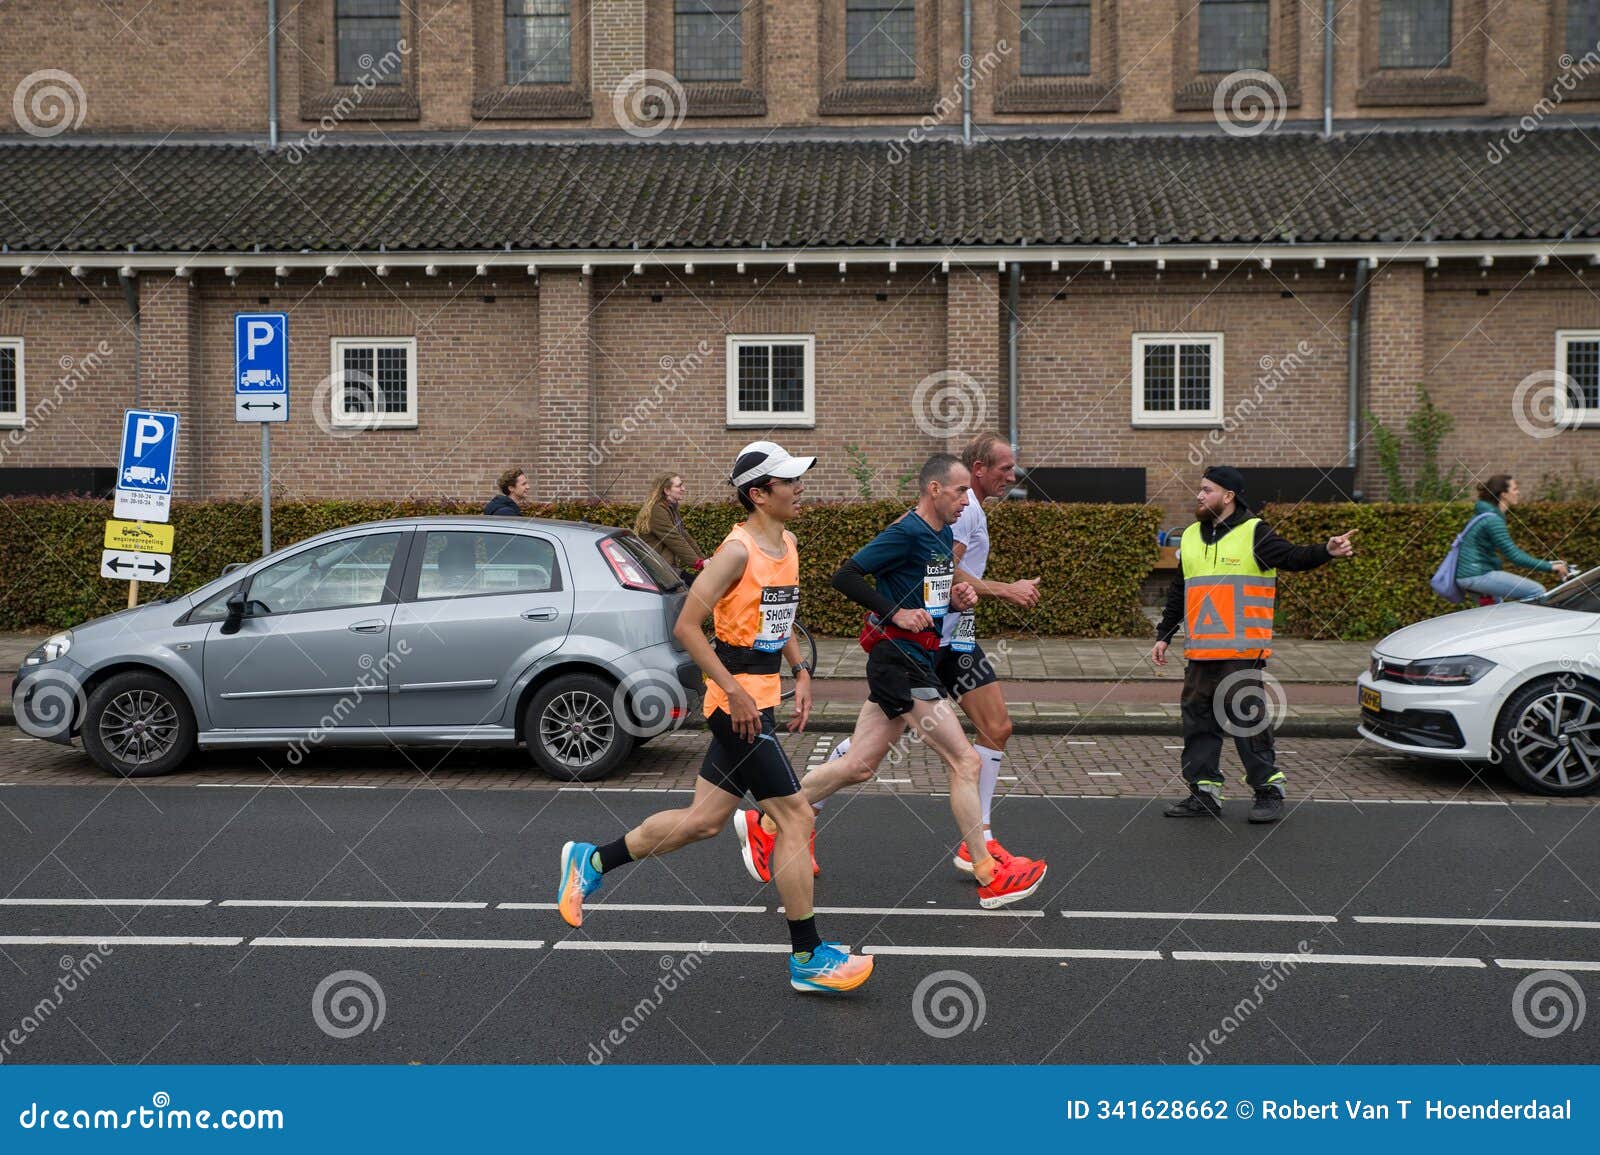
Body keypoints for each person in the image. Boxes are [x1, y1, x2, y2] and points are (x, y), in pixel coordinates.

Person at [557, 441, 873, 995]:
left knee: (702, 822)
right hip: (738, 708)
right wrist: (733, 691)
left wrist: (800, 670)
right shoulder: (736, 551)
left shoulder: (788, 541)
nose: (800, 489)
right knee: (796, 818)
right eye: (789, 482)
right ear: (758, 494)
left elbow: (779, 616)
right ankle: (807, 956)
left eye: (799, 479)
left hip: (761, 695)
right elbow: (686, 626)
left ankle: (592, 860)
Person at [732, 453, 1048, 910]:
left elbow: (928, 599)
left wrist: (956, 603)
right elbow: (845, 574)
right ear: (934, 490)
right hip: (899, 660)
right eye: (960, 491)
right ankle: (988, 872)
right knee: (965, 761)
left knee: (859, 764)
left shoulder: (941, 536)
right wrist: (894, 612)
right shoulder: (906, 532)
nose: (966, 500)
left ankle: (767, 823)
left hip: (910, 657)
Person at [821, 433, 1041, 875]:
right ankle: (982, 857)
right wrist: (1000, 590)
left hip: (945, 635)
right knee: (954, 755)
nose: (1013, 476)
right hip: (919, 646)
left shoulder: (952, 519)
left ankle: (780, 813)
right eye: (1004, 468)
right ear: (973, 472)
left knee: (985, 730)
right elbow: (884, 568)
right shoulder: (950, 514)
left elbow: (938, 573)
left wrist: (956, 600)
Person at [1153, 466, 1355, 824]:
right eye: (1199, 490)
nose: (1199, 496)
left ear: (1228, 496)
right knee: (1198, 721)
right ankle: (1204, 793)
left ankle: (1268, 791)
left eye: (1206, 490)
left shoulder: (1254, 532)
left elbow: (1293, 557)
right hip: (1200, 651)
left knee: (1247, 721)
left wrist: (1327, 549)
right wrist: (1164, 635)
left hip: (1243, 652)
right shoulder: (1189, 538)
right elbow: (1180, 592)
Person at [1455, 475, 1567, 603]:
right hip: (1477, 574)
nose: (1518, 492)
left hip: (1470, 575)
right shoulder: (1492, 520)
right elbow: (1514, 555)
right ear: (1503, 494)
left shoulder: (1486, 514)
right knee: (1536, 591)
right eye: (1515, 489)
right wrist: (1550, 567)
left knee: (1497, 614)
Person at [636, 471, 705, 582]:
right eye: (679, 486)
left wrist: (704, 559)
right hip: (657, 570)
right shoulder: (657, 510)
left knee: (697, 586)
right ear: (667, 490)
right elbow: (674, 538)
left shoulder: (670, 508)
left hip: (666, 567)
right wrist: (698, 563)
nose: (683, 488)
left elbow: (683, 535)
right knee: (697, 588)